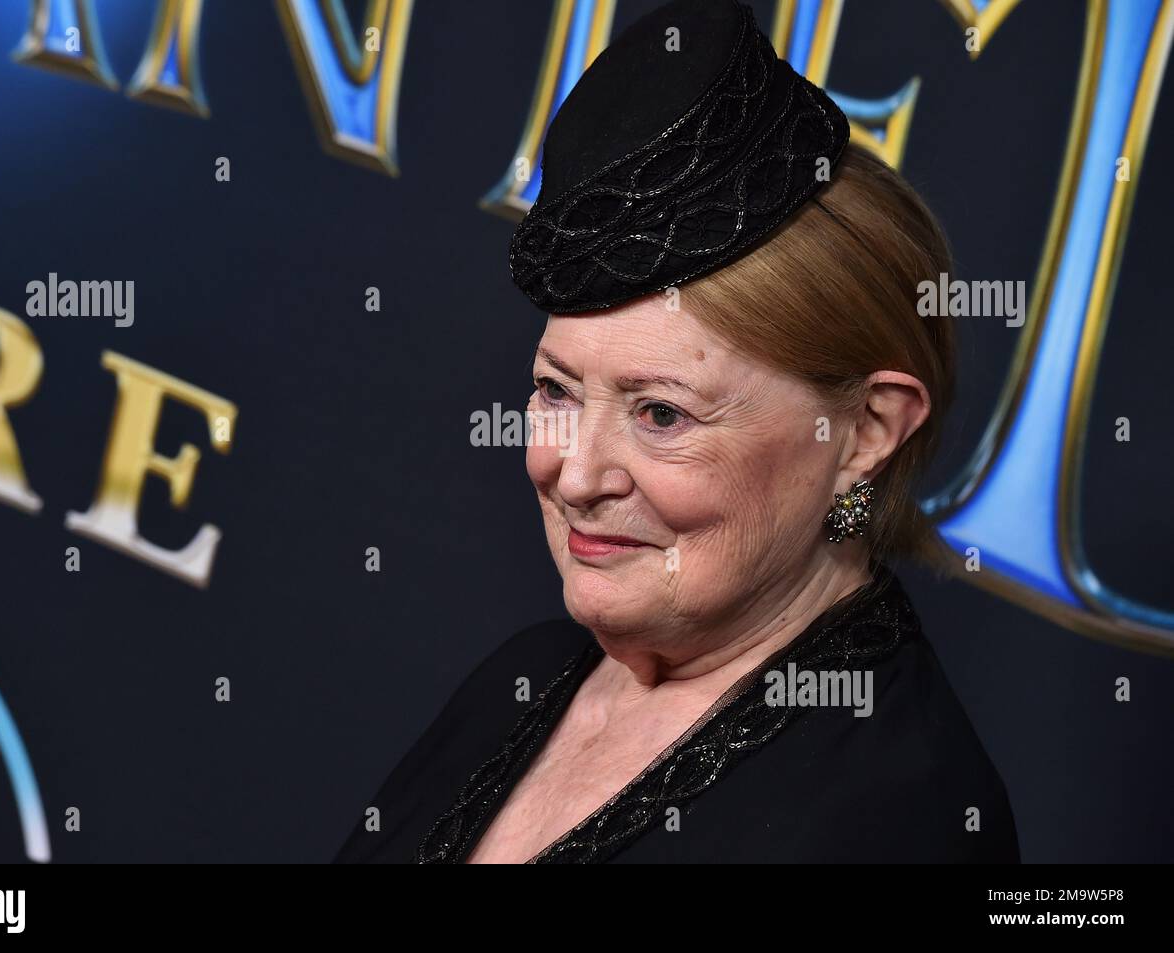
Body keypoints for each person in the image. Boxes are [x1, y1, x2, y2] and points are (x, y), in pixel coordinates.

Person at [334, 0, 1018, 864]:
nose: (574, 475)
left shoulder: (899, 819)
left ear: (865, 431)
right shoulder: (528, 678)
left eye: (661, 414)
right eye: (555, 389)